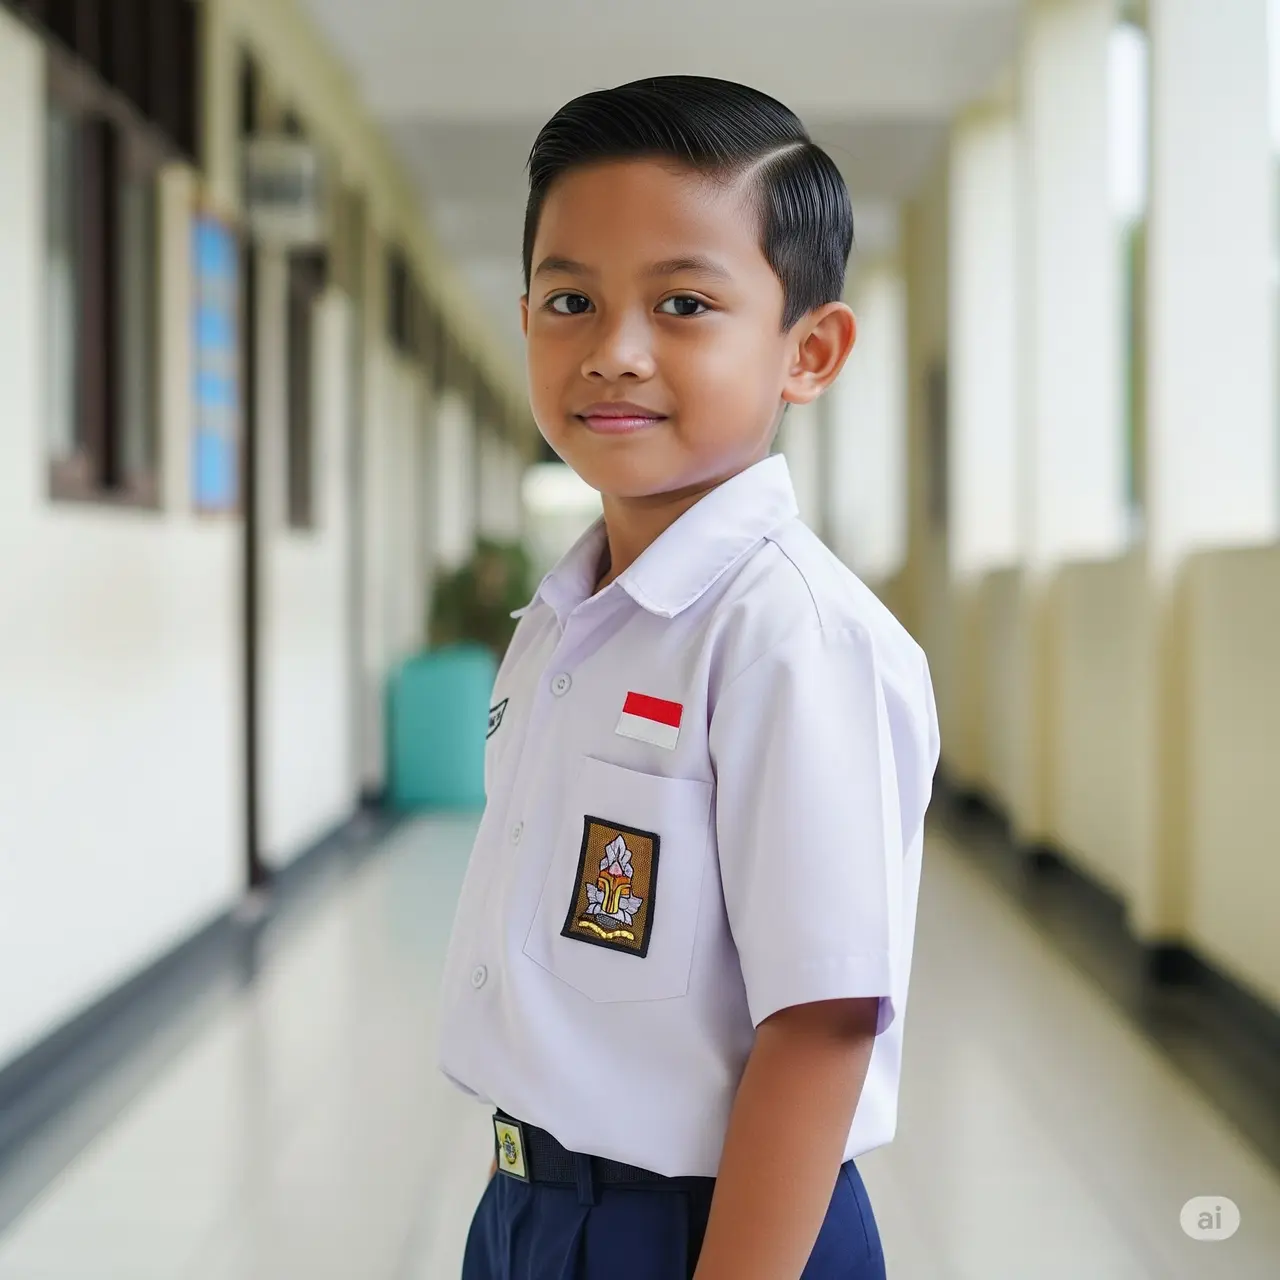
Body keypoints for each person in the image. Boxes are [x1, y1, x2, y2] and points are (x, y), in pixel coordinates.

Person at [437, 74, 940, 1280]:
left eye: (681, 302)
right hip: (530, 1205)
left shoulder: (789, 634)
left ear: (805, 349)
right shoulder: (566, 615)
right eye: (570, 300)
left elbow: (817, 1028)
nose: (613, 352)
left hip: (709, 1229)